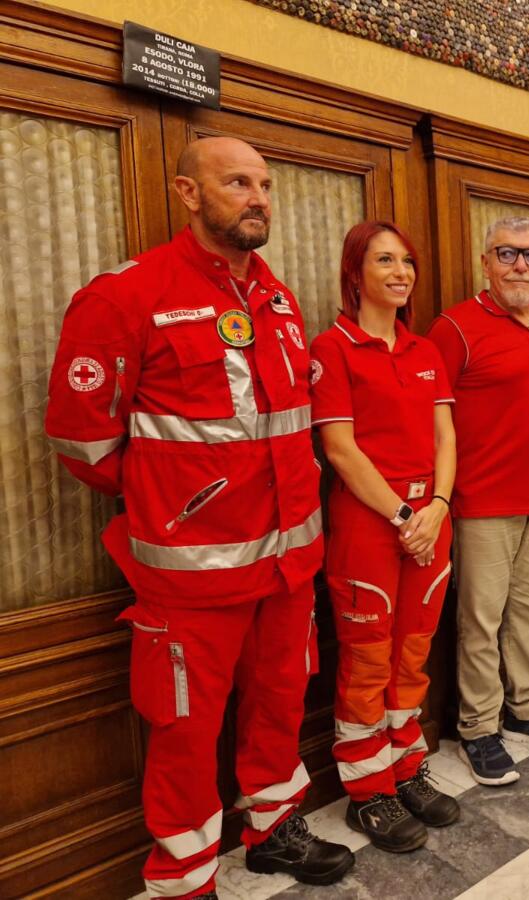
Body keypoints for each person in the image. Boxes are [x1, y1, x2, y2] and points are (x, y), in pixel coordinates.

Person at [44, 137, 353, 899]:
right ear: (188, 193)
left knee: (279, 708)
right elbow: (83, 441)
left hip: (286, 566)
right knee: (184, 737)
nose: (258, 198)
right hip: (194, 576)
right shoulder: (126, 294)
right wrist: (174, 502)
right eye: (238, 183)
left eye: (266, 185)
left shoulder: (275, 295)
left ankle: (273, 830)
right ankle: (182, 880)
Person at [309, 222, 459, 852]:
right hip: (371, 529)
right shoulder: (333, 347)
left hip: (431, 524)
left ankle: (404, 766)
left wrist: (439, 508)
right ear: (355, 272)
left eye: (408, 260)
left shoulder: (425, 351)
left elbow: (447, 437)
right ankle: (368, 792)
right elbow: (339, 449)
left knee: (411, 656)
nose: (401, 272)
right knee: (368, 660)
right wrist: (405, 518)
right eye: (385, 260)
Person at [426, 216, 529, 786]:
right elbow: (430, 420)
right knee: (480, 620)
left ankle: (528, 707)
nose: (521, 265)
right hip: (481, 503)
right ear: (485, 261)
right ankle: (478, 728)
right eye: (508, 254)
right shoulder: (456, 328)